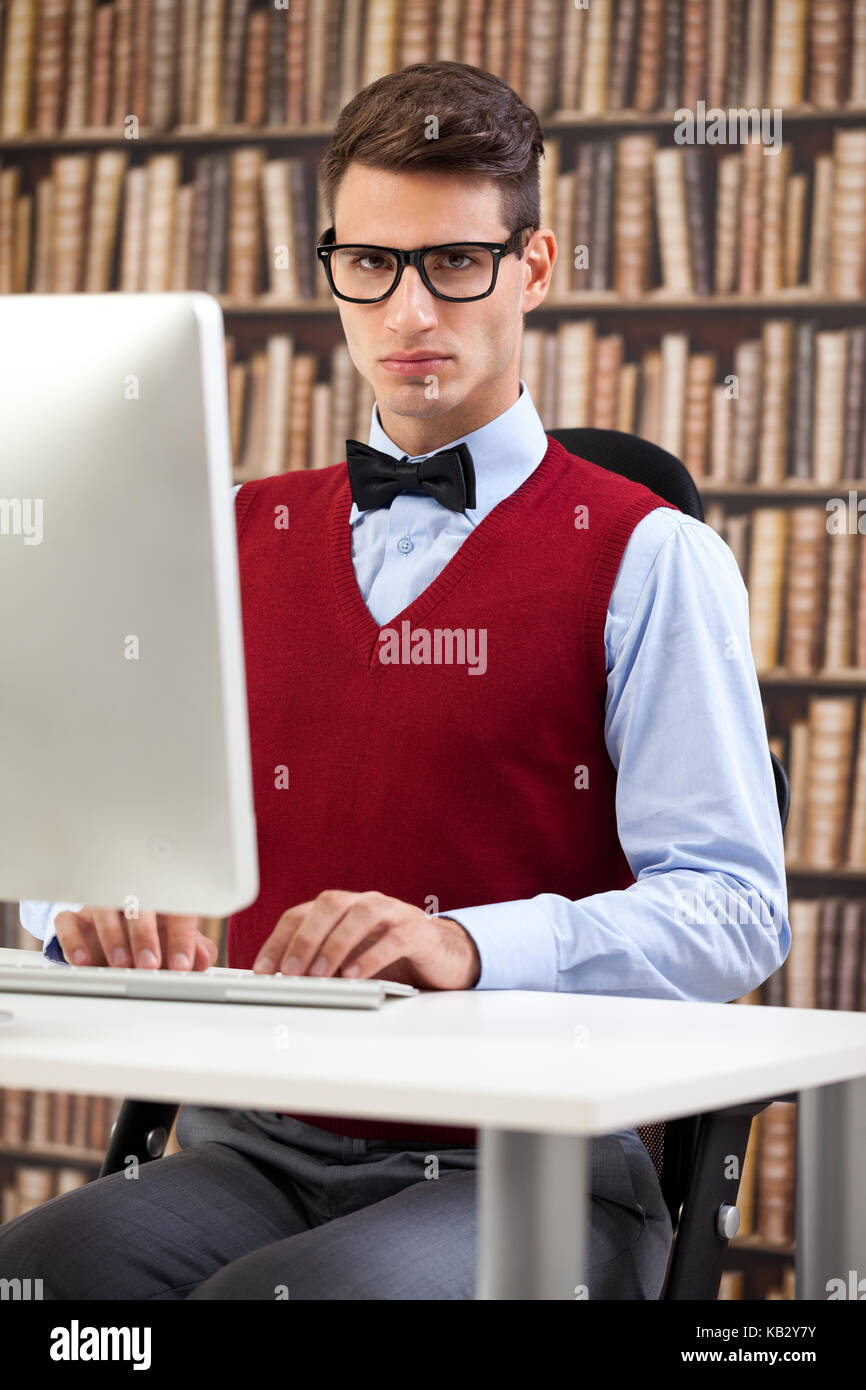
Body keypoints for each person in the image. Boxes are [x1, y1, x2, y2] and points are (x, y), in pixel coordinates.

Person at [0, 60, 789, 1300]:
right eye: (369, 264)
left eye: (453, 263)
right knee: (35, 1274)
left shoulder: (654, 557)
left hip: (530, 1163)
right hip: (250, 1137)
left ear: (532, 267)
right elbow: (75, 823)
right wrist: (79, 899)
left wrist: (464, 943)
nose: (408, 311)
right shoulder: (213, 537)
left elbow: (734, 908)